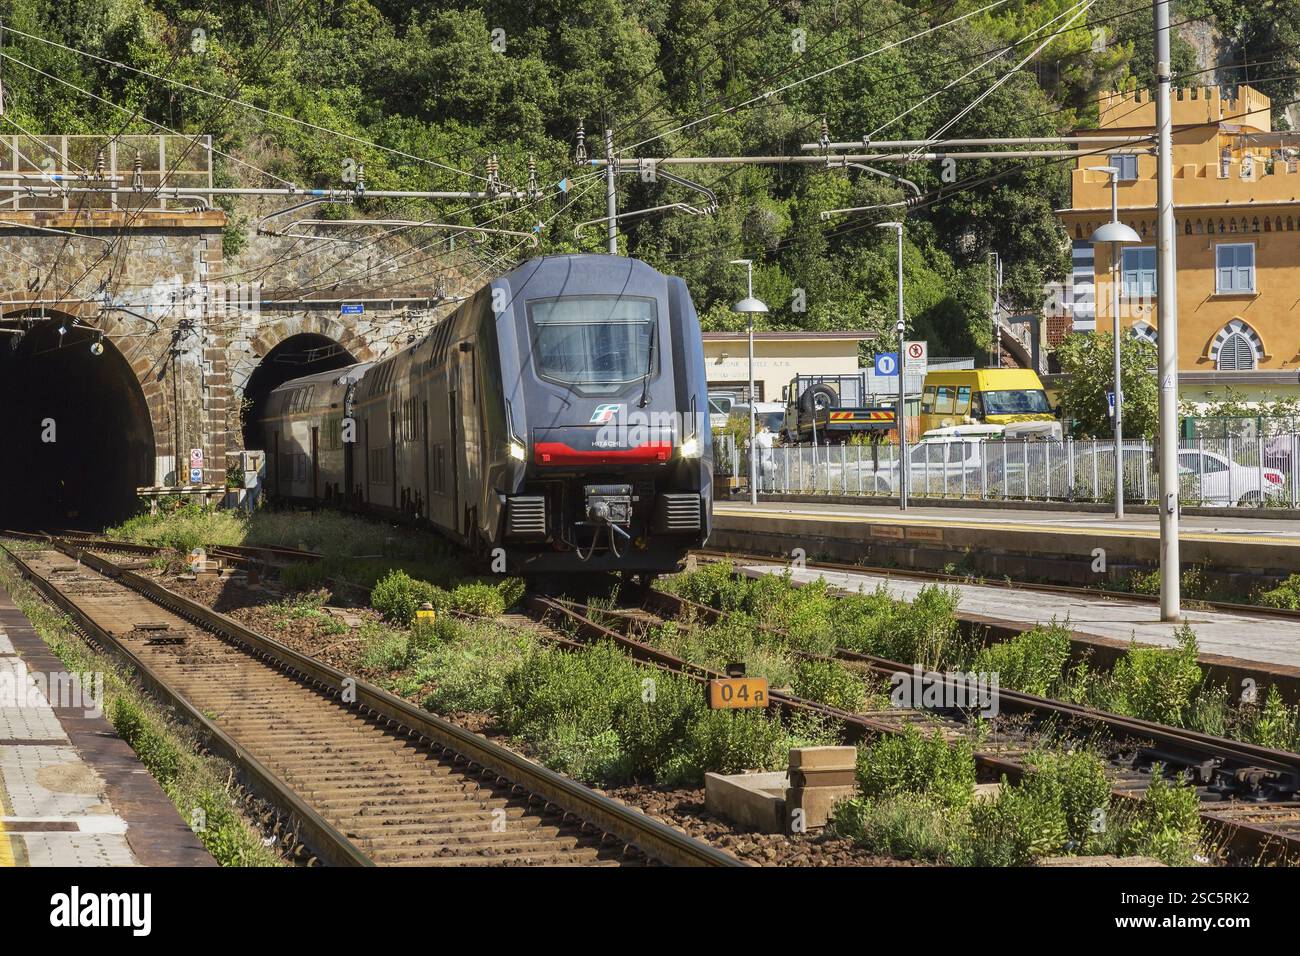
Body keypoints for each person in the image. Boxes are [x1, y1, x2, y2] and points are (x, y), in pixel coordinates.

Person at [754, 421, 777, 492]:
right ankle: (762, 488)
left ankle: (764, 488)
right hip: (761, 460)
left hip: (764, 460)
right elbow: (763, 444)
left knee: (762, 475)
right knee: (761, 475)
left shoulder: (766, 435)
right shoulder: (760, 435)